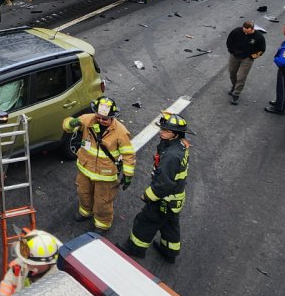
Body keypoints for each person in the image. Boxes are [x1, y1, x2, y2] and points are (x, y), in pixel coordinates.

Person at [120, 112, 191, 263]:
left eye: (166, 130)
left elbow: (164, 184)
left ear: (175, 134)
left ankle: (133, 248)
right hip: (175, 199)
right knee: (170, 226)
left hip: (163, 200)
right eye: (162, 128)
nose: (161, 132)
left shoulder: (171, 155)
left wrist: (147, 196)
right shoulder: (181, 145)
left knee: (145, 222)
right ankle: (169, 252)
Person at [63, 98, 136, 232]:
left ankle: (102, 223)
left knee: (103, 201)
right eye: (99, 117)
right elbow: (67, 126)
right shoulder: (86, 119)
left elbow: (128, 154)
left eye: (105, 119)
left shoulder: (121, 131)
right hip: (85, 169)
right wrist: (71, 123)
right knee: (83, 192)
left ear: (112, 118)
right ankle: (85, 211)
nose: (101, 120)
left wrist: (128, 175)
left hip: (105, 175)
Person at [0, 230, 62, 296]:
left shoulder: (55, 283)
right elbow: (10, 278)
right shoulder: (26, 259)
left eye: (30, 263)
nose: (25, 264)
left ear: (44, 263)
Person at [225, 20, 266, 104]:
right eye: (244, 30)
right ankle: (234, 86)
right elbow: (229, 41)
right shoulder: (236, 31)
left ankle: (236, 94)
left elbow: (261, 50)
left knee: (241, 77)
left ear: (252, 29)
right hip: (234, 56)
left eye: (248, 31)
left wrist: (252, 57)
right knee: (232, 73)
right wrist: (231, 51)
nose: (246, 33)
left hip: (247, 59)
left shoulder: (259, 37)